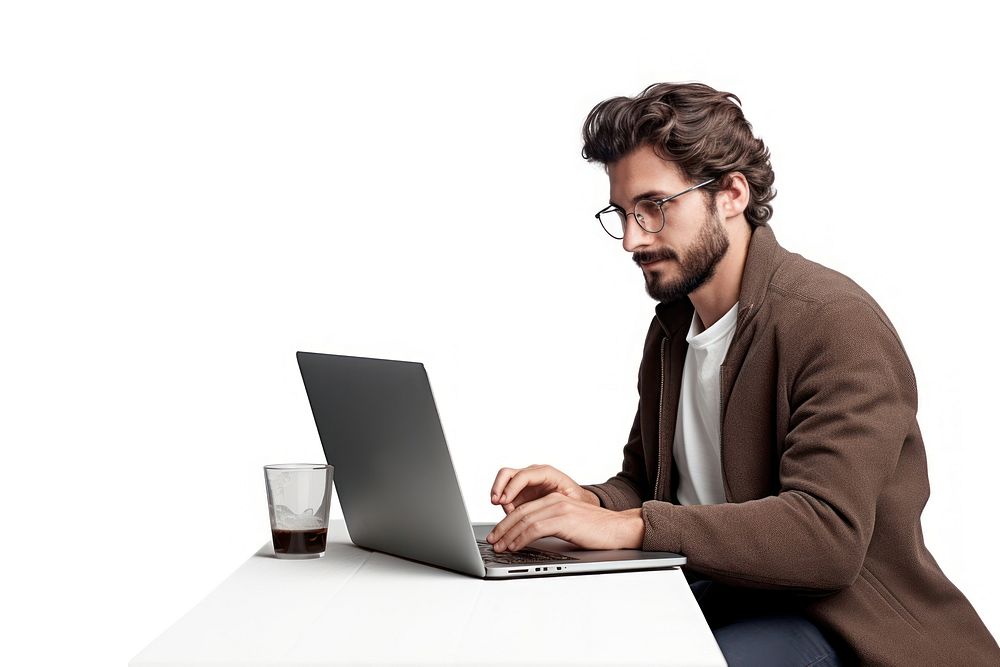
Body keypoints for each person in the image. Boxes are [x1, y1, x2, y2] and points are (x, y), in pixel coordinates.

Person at [484, 82, 1000, 666]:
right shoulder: (673, 328)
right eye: (622, 214)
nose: (631, 238)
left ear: (731, 194)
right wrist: (590, 503)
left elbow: (826, 538)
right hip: (723, 592)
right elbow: (653, 488)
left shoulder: (833, 322)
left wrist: (630, 527)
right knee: (542, 635)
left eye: (654, 207)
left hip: (840, 623)